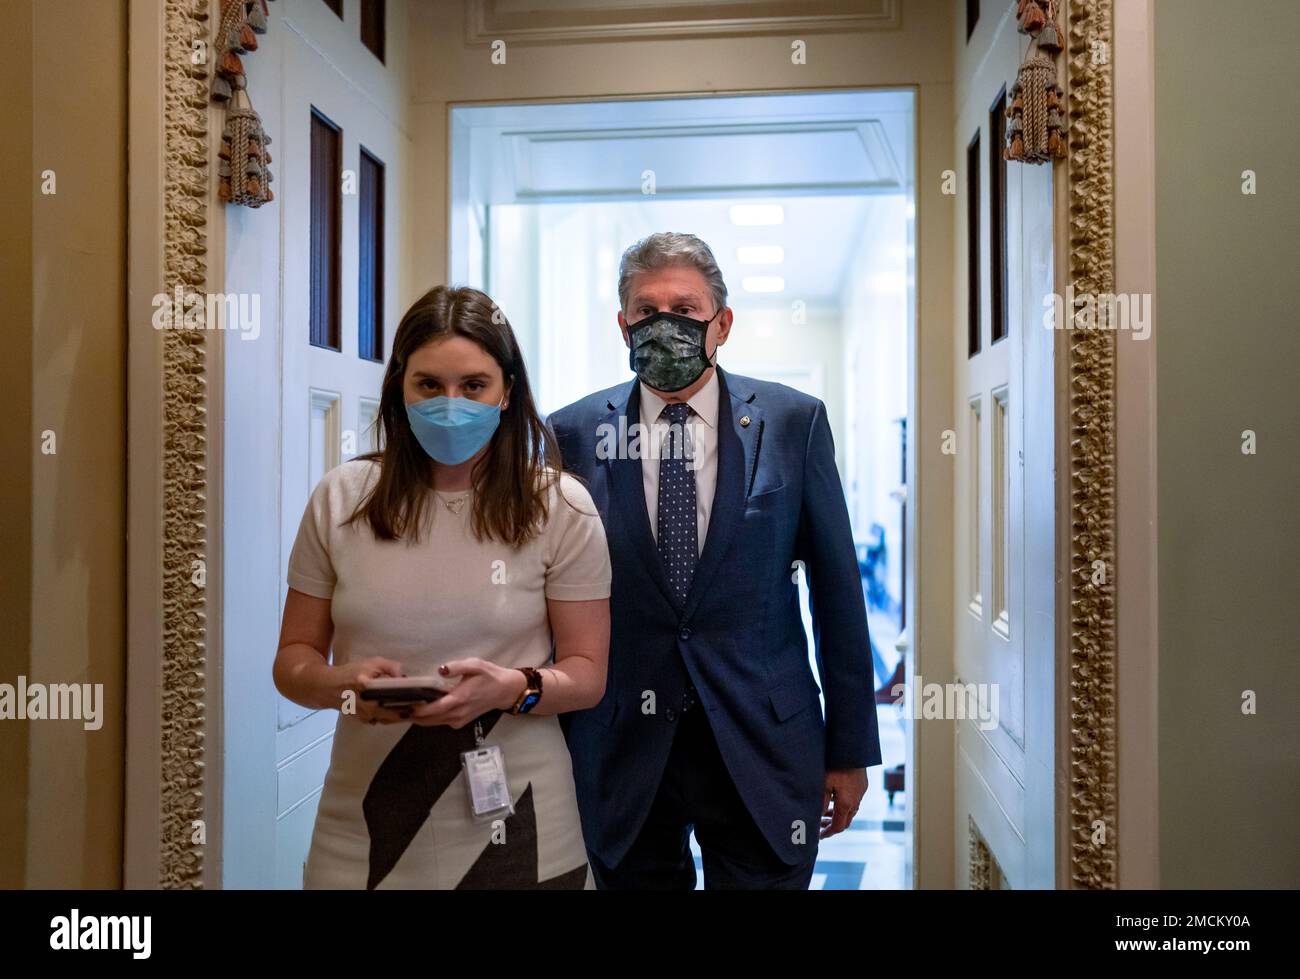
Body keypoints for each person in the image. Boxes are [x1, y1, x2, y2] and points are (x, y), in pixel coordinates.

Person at [548, 232, 881, 889]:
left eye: (686, 307)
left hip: (763, 740)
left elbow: (836, 595)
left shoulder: (793, 422)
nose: (664, 323)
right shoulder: (572, 434)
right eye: (646, 310)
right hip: (622, 744)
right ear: (623, 325)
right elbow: (549, 594)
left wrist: (850, 752)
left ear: (721, 324)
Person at [274, 285, 611, 889]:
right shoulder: (341, 498)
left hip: (522, 819)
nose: (451, 404)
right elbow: (292, 663)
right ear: (400, 388)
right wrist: (339, 686)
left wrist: (513, 688)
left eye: (473, 386)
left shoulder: (562, 505)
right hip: (364, 822)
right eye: (429, 385)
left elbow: (587, 676)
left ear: (507, 391)